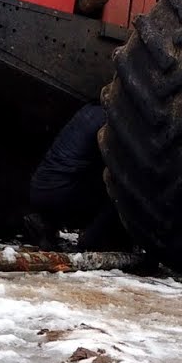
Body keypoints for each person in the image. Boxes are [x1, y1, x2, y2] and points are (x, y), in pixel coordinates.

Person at [23, 103, 131, 252]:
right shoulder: (109, 121)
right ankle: (92, 241)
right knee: (120, 189)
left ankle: (45, 223)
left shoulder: (88, 111)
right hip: (61, 194)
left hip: (40, 188)